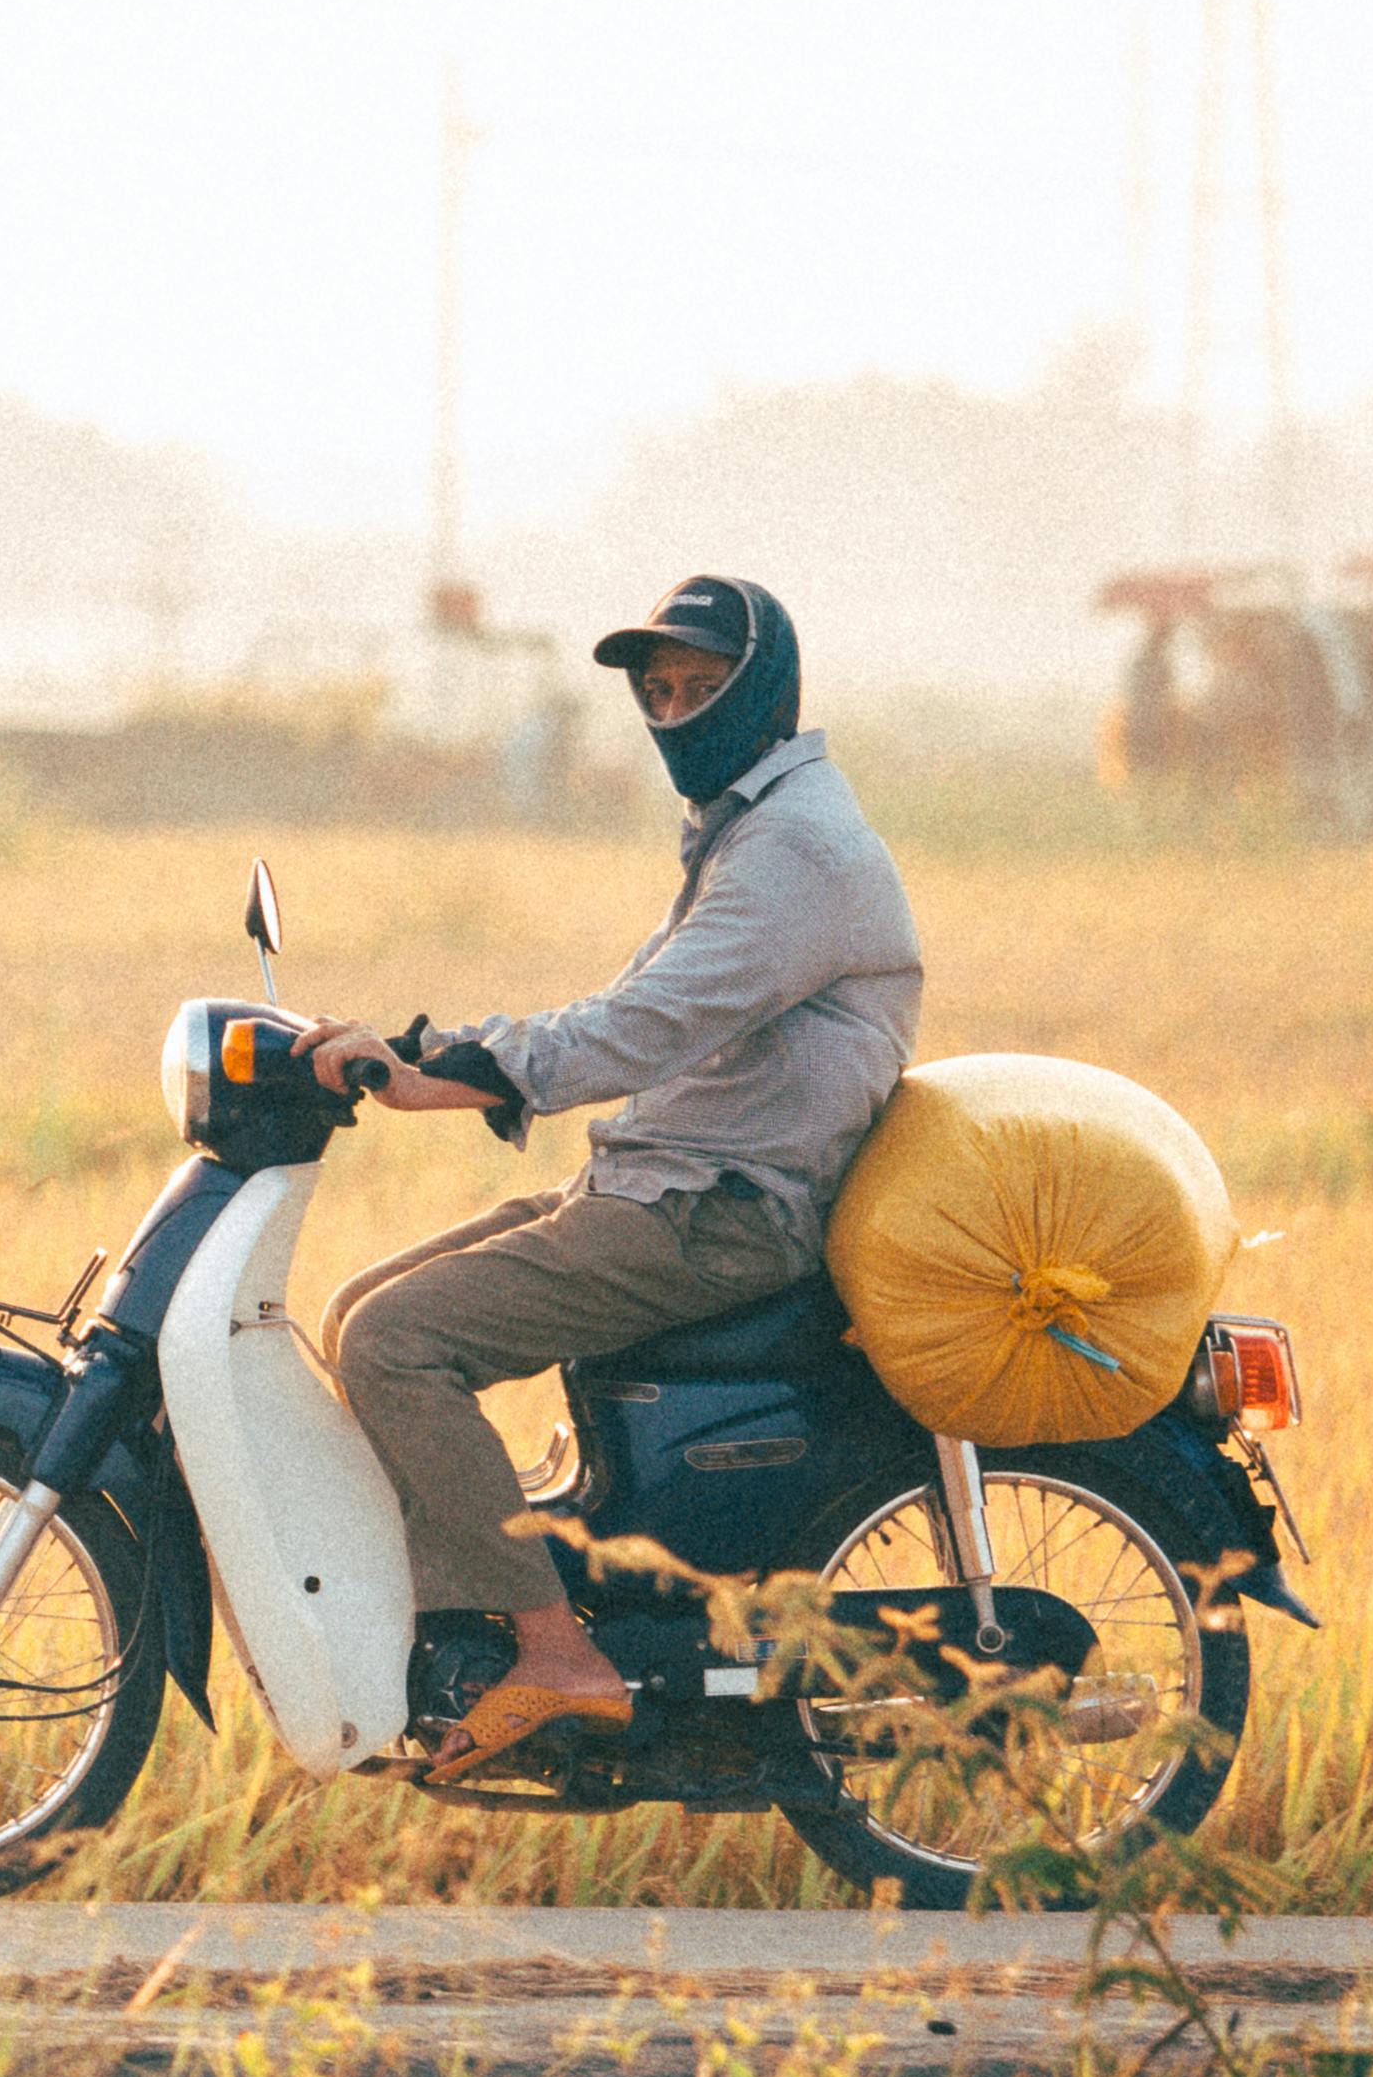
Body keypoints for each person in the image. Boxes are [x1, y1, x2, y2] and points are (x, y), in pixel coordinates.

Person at [294, 575, 923, 1784]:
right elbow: (635, 1006)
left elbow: (645, 1026)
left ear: (768, 696)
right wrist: (425, 1050)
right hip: (669, 1181)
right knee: (354, 1312)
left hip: (714, 1212)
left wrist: (452, 1076)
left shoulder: (794, 850)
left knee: (395, 1345)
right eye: (660, 692)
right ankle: (462, 1618)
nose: (675, 713)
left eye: (702, 688)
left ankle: (555, 1655)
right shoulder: (752, 829)